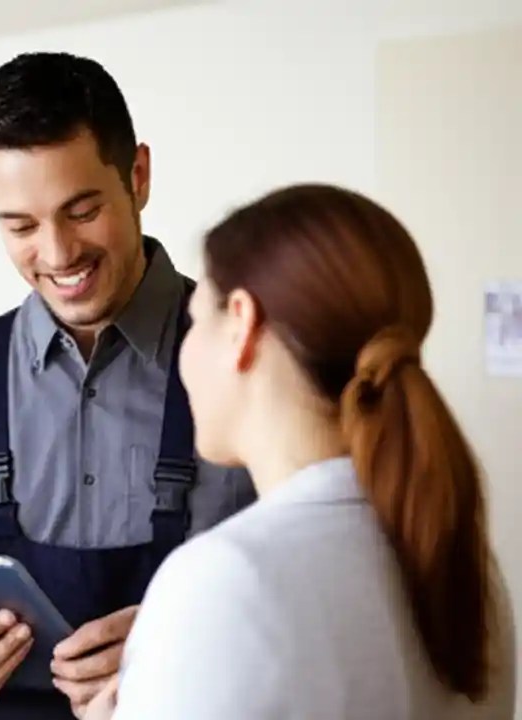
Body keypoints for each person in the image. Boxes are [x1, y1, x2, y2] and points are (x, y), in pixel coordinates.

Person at [0, 51, 256, 719]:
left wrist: (195, 649)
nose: (58, 252)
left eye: (82, 210)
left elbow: (334, 601)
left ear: (138, 175)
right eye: (20, 226)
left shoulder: (250, 359)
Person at [83, 183, 517, 719]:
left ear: (241, 323)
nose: (184, 354)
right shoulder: (466, 572)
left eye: (196, 320)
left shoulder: (221, 582)